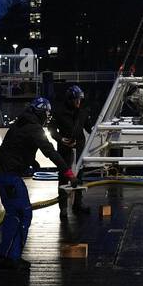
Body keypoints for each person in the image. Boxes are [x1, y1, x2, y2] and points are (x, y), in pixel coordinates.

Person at [0, 96, 72, 271]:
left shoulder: (21, 123)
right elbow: (50, 151)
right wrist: (68, 172)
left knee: (14, 213)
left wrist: (30, 161)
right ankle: (11, 259)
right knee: (21, 213)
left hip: (2, 171)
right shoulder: (34, 128)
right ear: (41, 113)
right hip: (8, 175)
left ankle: (6, 256)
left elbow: (16, 145)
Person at [52, 84, 90, 215]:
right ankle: (63, 208)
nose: (78, 102)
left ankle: (78, 204)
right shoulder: (59, 112)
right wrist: (61, 139)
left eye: (80, 99)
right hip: (64, 149)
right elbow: (52, 130)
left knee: (79, 175)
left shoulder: (83, 112)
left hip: (79, 148)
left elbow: (90, 128)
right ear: (69, 99)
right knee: (64, 176)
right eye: (76, 100)